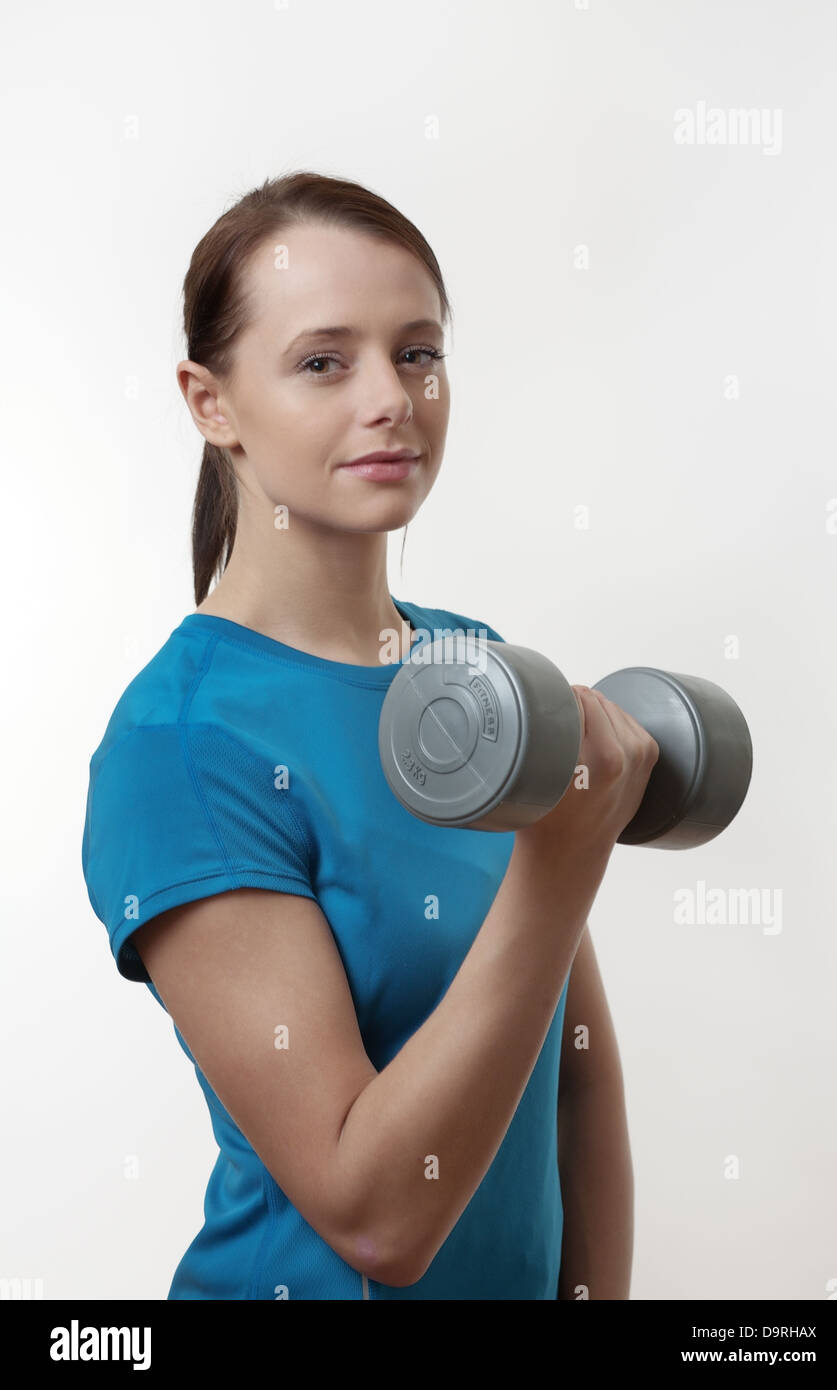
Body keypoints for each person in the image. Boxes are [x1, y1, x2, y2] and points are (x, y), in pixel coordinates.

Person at [81, 170, 658, 1300]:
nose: (391, 396)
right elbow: (375, 1217)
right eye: (322, 361)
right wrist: (558, 865)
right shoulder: (181, 744)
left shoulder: (474, 672)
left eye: (416, 352)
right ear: (211, 402)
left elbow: (572, 1076)